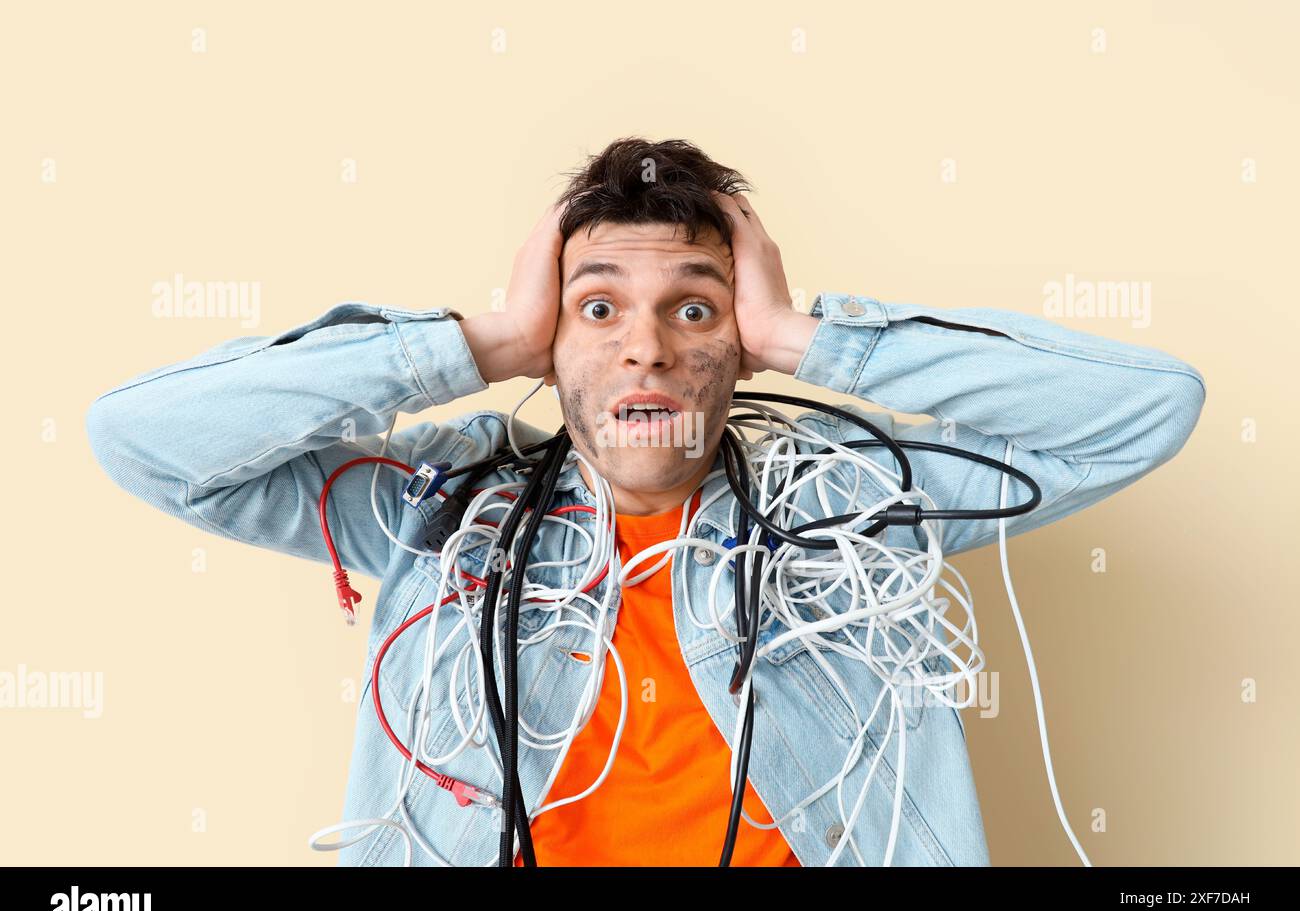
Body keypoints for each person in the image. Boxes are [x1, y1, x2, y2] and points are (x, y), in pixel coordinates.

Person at [85, 136, 1206, 867]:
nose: (647, 353)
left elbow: (1144, 408)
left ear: (741, 343)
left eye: (694, 309)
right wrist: (472, 346)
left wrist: (803, 336)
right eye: (599, 309)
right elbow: (145, 440)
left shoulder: (850, 501)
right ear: (550, 338)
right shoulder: (440, 509)